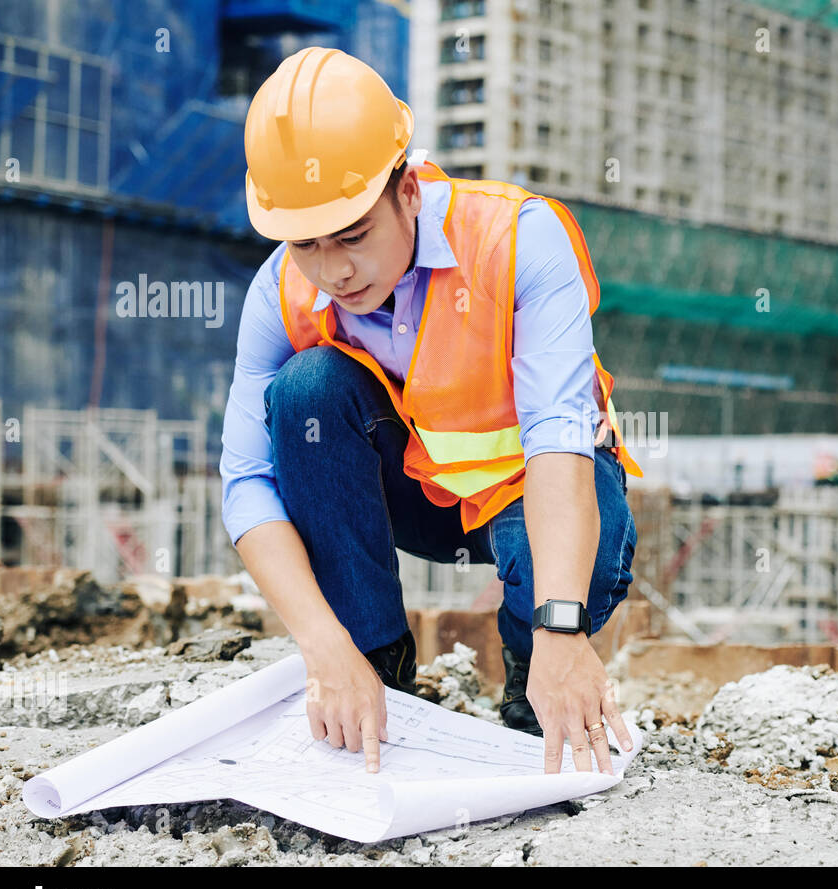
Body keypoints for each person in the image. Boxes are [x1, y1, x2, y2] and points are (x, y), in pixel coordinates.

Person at [220, 47, 642, 777]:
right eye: (307, 245)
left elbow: (558, 443)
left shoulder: (516, 240)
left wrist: (562, 631)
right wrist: (328, 650)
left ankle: (528, 660)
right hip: (412, 499)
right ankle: (374, 671)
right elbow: (245, 481)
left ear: (408, 190)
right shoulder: (280, 289)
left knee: (585, 560)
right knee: (306, 389)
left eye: (353, 235)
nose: (334, 270)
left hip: (528, 499)